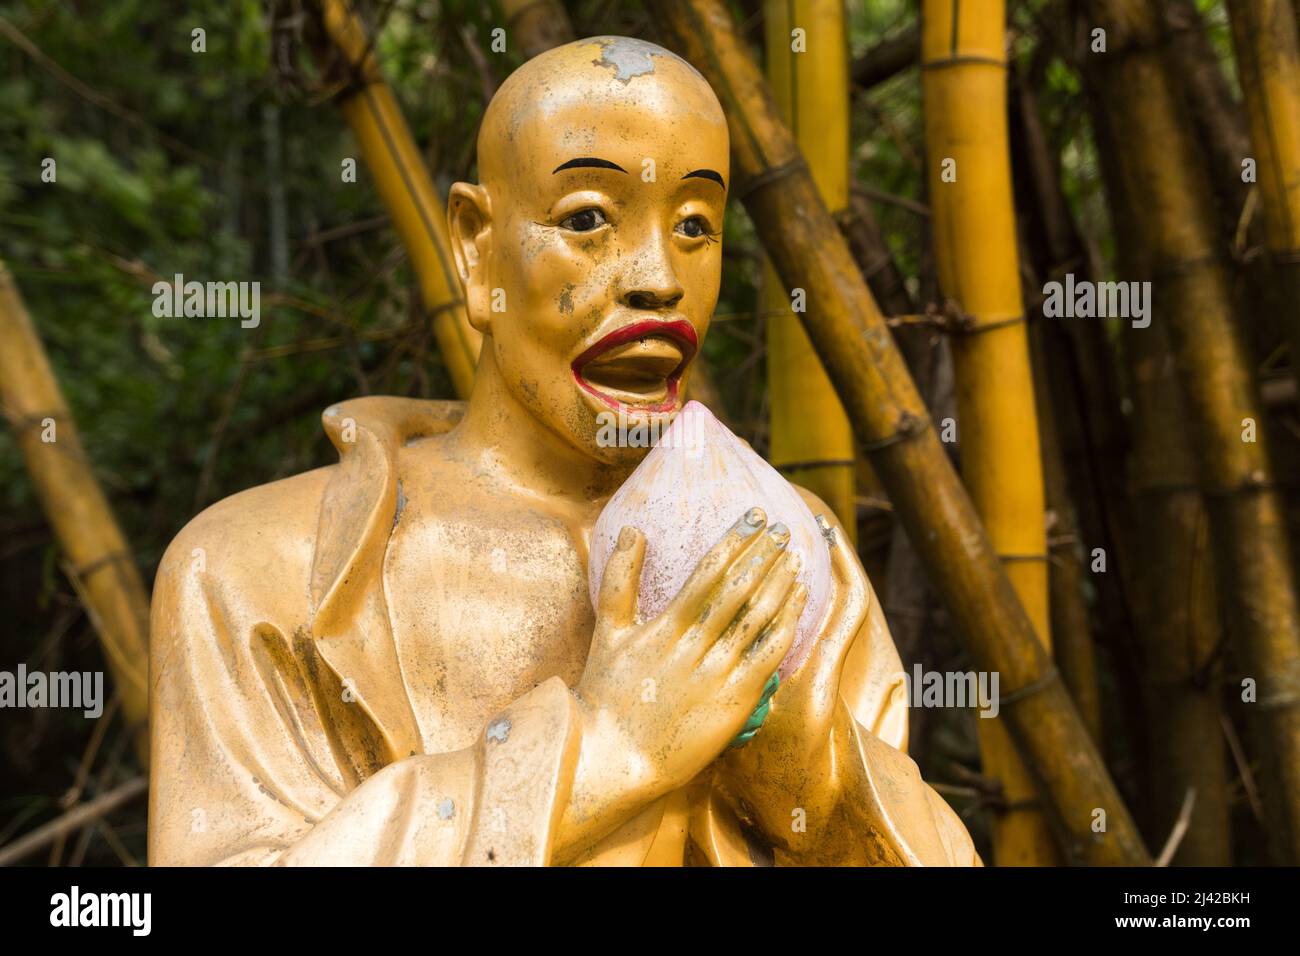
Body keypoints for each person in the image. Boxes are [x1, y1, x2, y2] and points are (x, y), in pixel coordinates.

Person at [148, 36, 978, 866]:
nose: (659, 278)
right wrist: (606, 752)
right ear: (475, 246)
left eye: (696, 225)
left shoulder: (791, 555)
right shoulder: (256, 569)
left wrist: (809, 770)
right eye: (587, 219)